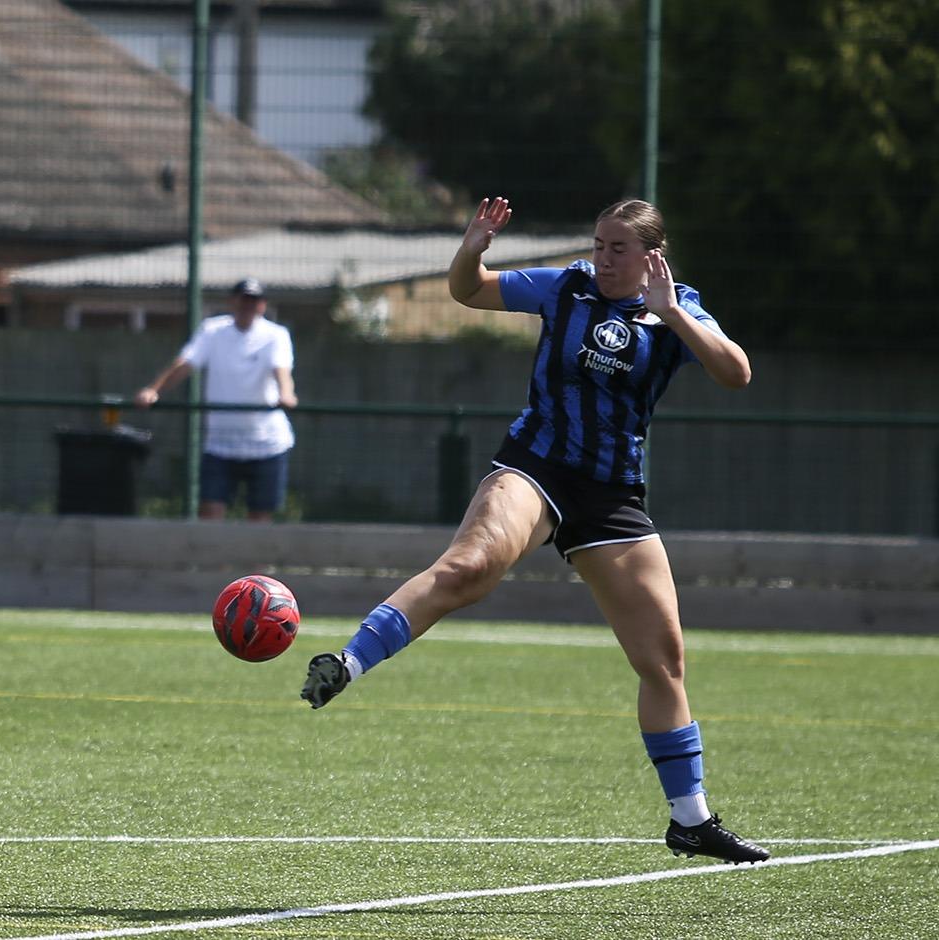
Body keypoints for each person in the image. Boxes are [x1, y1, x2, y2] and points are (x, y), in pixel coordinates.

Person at [300, 197, 770, 865]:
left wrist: (670, 313)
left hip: (611, 496)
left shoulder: (678, 308)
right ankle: (347, 662)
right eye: (599, 243)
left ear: (650, 258)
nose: (603, 258)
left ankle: (690, 821)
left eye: (618, 249)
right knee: (470, 566)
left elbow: (737, 373)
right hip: (536, 465)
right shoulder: (565, 284)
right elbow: (470, 291)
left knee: (663, 661)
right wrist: (472, 249)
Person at [134, 277, 298, 521]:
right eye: (243, 299)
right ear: (232, 302)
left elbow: (281, 371)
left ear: (262, 305)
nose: (248, 306)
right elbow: (185, 363)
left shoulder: (276, 335)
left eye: (254, 301)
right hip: (221, 443)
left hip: (267, 443)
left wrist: (286, 393)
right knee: (210, 513)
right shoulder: (213, 331)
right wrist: (154, 389)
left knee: (260, 520)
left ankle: (256, 561)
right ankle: (215, 561)